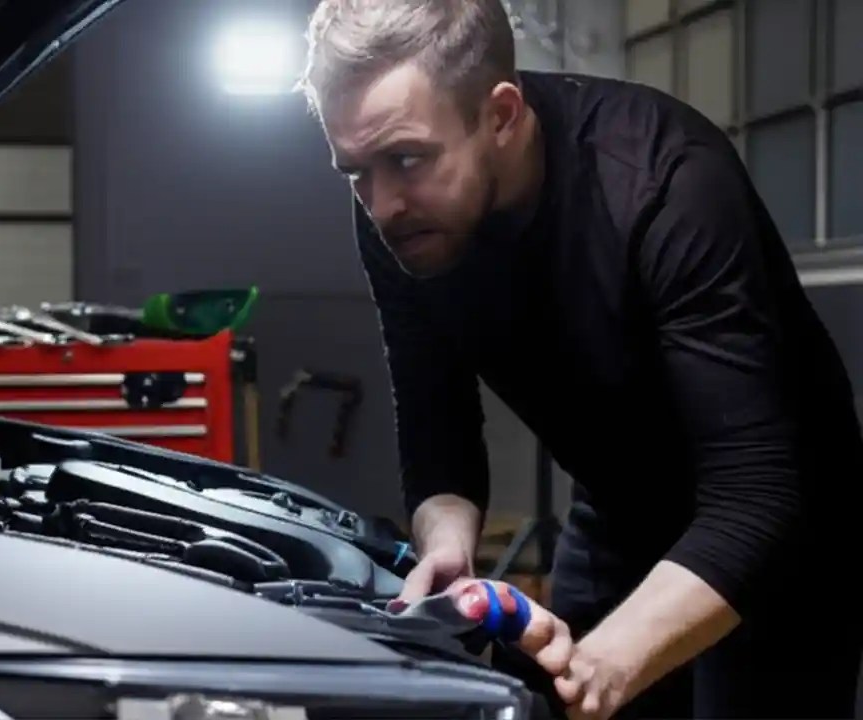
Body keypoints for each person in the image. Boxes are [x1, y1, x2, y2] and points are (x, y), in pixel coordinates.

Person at [298, 1, 863, 718]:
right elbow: (434, 412)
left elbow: (755, 495)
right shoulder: (398, 213)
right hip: (620, 504)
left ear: (500, 115)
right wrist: (446, 543)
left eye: (406, 159)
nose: (381, 205)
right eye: (355, 171)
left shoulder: (665, 185)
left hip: (778, 525)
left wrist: (607, 662)